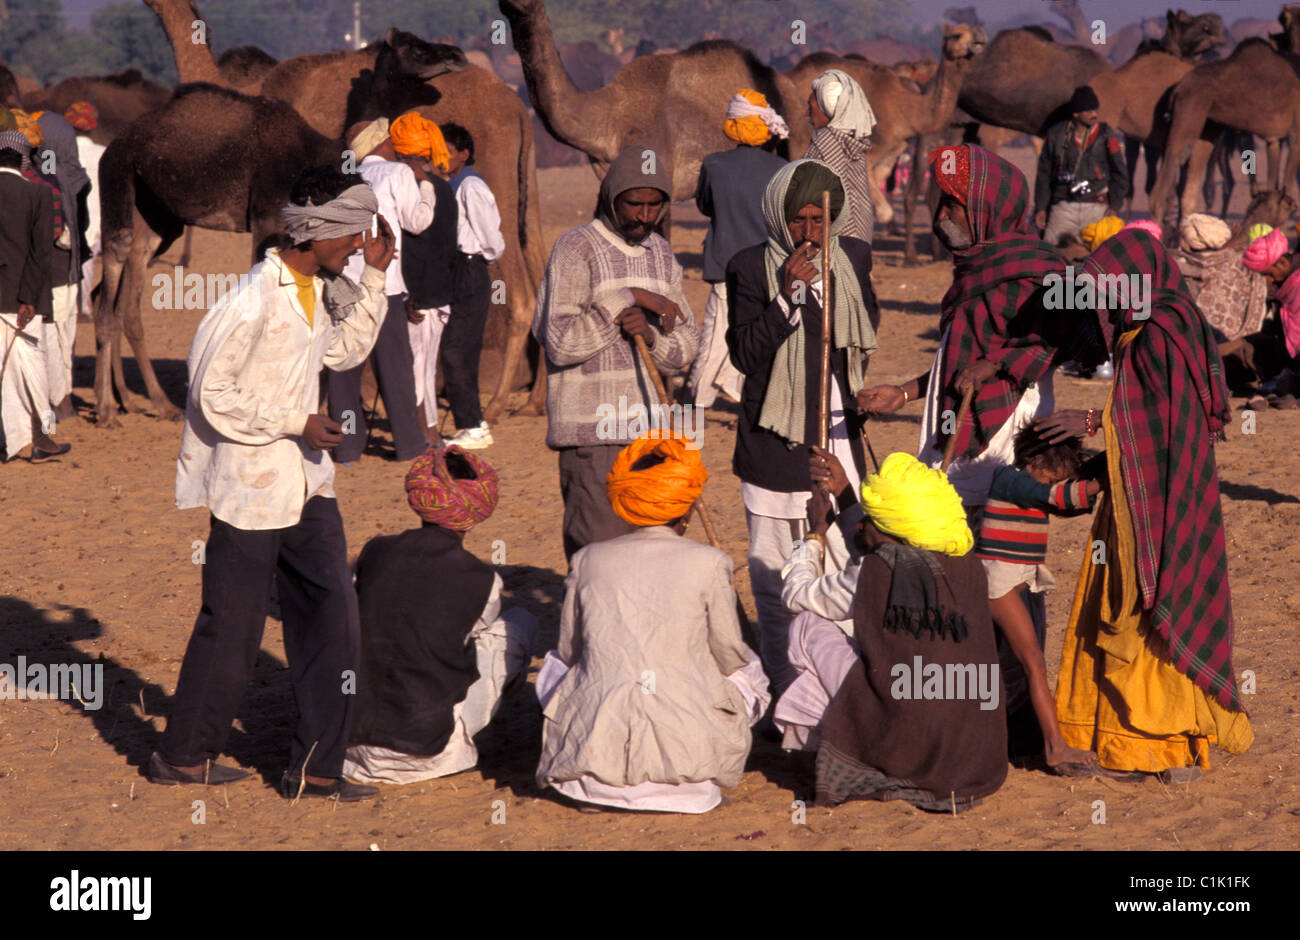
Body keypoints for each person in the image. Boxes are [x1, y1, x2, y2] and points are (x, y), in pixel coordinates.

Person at [154, 166, 397, 801]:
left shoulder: (321, 288)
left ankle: (317, 769)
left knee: (333, 619)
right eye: (350, 235)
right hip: (251, 485)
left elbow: (342, 354)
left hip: (309, 485)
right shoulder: (250, 300)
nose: (356, 243)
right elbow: (210, 394)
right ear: (314, 233)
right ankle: (183, 755)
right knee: (232, 624)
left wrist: (372, 276)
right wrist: (296, 421)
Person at [1038, 229, 1254, 782]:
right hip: (1157, 486)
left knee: (1142, 606)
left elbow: (1161, 421)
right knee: (1153, 598)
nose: (1105, 305)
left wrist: (1089, 421)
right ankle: (1170, 742)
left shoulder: (1156, 333)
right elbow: (1158, 415)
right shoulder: (1170, 318)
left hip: (1152, 495)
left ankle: (1150, 747)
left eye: (1111, 290)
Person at [535, 433, 770, 813]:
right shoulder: (709, 562)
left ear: (622, 502)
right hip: (690, 786)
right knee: (751, 668)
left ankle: (598, 780)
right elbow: (728, 654)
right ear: (689, 507)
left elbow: (568, 651)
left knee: (559, 669)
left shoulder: (588, 559)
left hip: (586, 783)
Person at [726, 158, 879, 695]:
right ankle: (782, 688)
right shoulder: (749, 267)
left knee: (845, 560)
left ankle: (842, 690)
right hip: (773, 442)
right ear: (777, 216)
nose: (810, 233)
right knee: (774, 580)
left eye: (820, 220)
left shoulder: (853, 259)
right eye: (799, 220)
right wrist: (787, 297)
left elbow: (863, 334)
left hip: (836, 432)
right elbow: (745, 355)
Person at [788, 452, 1007, 813]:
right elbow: (878, 537)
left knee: (806, 626)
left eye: (870, 519)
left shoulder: (874, 573)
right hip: (975, 754)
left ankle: (834, 741)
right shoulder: (968, 563)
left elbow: (796, 596)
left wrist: (813, 534)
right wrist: (844, 493)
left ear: (892, 528)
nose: (862, 527)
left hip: (910, 735)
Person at [859, 144, 1067, 512]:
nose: (941, 217)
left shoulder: (1036, 270)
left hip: (1003, 428)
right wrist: (904, 393)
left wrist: (998, 365)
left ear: (988, 211)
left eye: (953, 207)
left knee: (980, 538)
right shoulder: (977, 266)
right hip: (957, 417)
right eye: (941, 204)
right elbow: (959, 363)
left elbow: (1057, 341)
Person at [532, 143, 699, 562]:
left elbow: (686, 345)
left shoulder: (660, 253)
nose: (644, 215)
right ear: (611, 199)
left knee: (651, 562)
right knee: (599, 559)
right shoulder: (576, 248)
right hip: (592, 436)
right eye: (634, 203)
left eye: (654, 205)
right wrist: (624, 299)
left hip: (651, 435)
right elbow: (561, 342)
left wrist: (654, 337)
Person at [344, 444, 537, 784]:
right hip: (426, 752)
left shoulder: (376, 550)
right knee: (518, 625)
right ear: (477, 510)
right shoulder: (481, 578)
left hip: (346, 744)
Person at [974, 427, 1110, 774]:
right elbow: (1060, 497)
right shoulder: (1009, 479)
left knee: (1019, 662)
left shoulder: (1030, 485)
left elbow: (1066, 499)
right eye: (1051, 475)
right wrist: (1106, 478)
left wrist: (1104, 466)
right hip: (999, 582)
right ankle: (1054, 747)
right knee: (1032, 661)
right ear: (1032, 460)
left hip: (1016, 578)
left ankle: (1021, 741)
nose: (1054, 483)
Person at [326, 117, 436, 464]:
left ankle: (346, 447)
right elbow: (417, 222)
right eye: (389, 138)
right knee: (395, 368)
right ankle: (408, 444)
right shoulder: (398, 174)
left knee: (343, 370)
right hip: (384, 284)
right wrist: (426, 188)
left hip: (346, 285)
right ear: (379, 143)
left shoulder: (346, 180)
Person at [688, 89, 788, 409]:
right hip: (768, 269)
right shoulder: (780, 169)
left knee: (716, 340)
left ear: (733, 124)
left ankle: (697, 402)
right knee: (757, 336)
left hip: (724, 268)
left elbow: (706, 205)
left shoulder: (714, 165)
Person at [0, 141, 70, 463]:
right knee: (35, 373)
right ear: (24, 162)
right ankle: (45, 438)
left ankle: (12, 441)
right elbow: (40, 253)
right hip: (25, 302)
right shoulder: (38, 194)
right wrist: (28, 298)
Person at [389, 112, 456, 441]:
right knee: (426, 367)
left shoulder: (413, 189)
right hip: (440, 292)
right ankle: (427, 429)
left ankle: (424, 433)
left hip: (419, 296)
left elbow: (418, 247)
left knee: (416, 366)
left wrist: (410, 296)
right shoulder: (444, 188)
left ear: (401, 153)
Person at [440, 121, 505, 450]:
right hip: (457, 269)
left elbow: (489, 232)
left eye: (448, 151)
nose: (442, 157)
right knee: (458, 349)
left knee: (455, 351)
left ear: (464, 154)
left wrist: (487, 257)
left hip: (470, 268)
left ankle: (472, 427)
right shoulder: (452, 184)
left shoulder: (470, 186)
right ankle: (473, 422)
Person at [34, 108, 90, 421]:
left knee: (51, 334)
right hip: (65, 270)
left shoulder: (38, 175)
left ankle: (58, 398)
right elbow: (74, 232)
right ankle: (60, 399)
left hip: (48, 270)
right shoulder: (70, 181)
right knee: (58, 334)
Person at [1034, 85, 1129, 247]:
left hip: (1098, 208)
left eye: (1095, 109)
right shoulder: (1056, 134)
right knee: (1049, 254)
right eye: (1089, 111)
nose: (1095, 115)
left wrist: (1114, 206)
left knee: (1103, 260)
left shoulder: (1106, 135)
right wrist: (1041, 207)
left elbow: (1120, 174)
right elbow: (1044, 173)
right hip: (1063, 207)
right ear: (1076, 114)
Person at [804, 69, 876, 244]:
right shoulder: (853, 142)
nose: (807, 114)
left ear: (827, 109)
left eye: (811, 107)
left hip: (837, 244)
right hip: (860, 239)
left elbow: (810, 202)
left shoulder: (824, 143)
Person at [65, 102, 104, 320]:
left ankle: (76, 306)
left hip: (65, 217)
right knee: (87, 262)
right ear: (93, 125)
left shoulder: (59, 153)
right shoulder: (103, 153)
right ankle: (82, 307)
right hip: (96, 218)